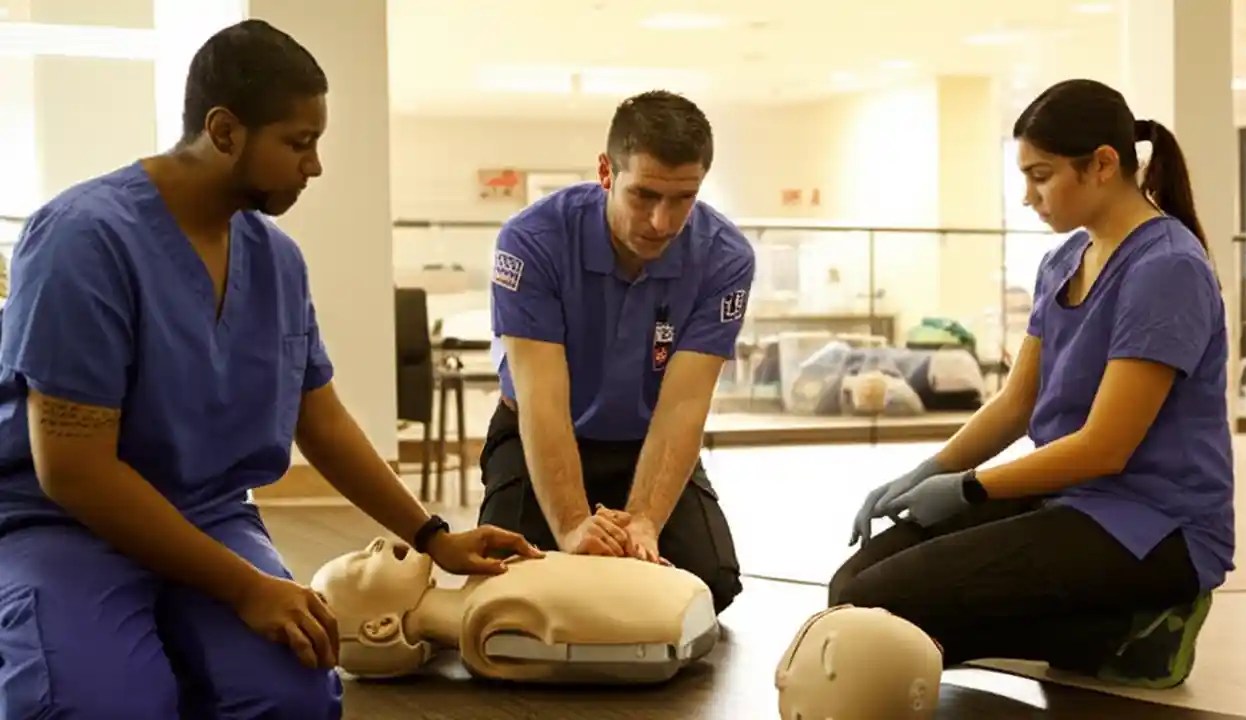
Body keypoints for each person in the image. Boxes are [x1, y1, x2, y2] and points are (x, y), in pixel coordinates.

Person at [0, 19, 539, 720]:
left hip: (208, 513)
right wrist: (246, 587)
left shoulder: (277, 260)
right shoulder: (83, 239)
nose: (314, 166)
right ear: (224, 132)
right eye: (299, 142)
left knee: (292, 695)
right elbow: (74, 471)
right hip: (67, 523)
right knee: (97, 705)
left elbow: (322, 420)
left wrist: (433, 536)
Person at [831, 78, 1231, 691]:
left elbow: (1105, 448)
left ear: (1102, 165)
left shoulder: (1166, 269)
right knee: (851, 590)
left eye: (1040, 176)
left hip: (1153, 526)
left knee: (879, 610)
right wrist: (927, 470)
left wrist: (967, 488)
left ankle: (1133, 629)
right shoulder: (1063, 261)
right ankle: (1096, 624)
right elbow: (1018, 402)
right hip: (1068, 499)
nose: (1027, 197)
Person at [476, 90, 754, 615]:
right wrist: (572, 525)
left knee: (710, 581)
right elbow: (543, 402)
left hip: (644, 440)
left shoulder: (725, 255)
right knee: (509, 579)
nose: (662, 222)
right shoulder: (531, 240)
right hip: (542, 429)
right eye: (644, 195)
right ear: (606, 172)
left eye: (683, 198)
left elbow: (683, 406)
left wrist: (645, 521)